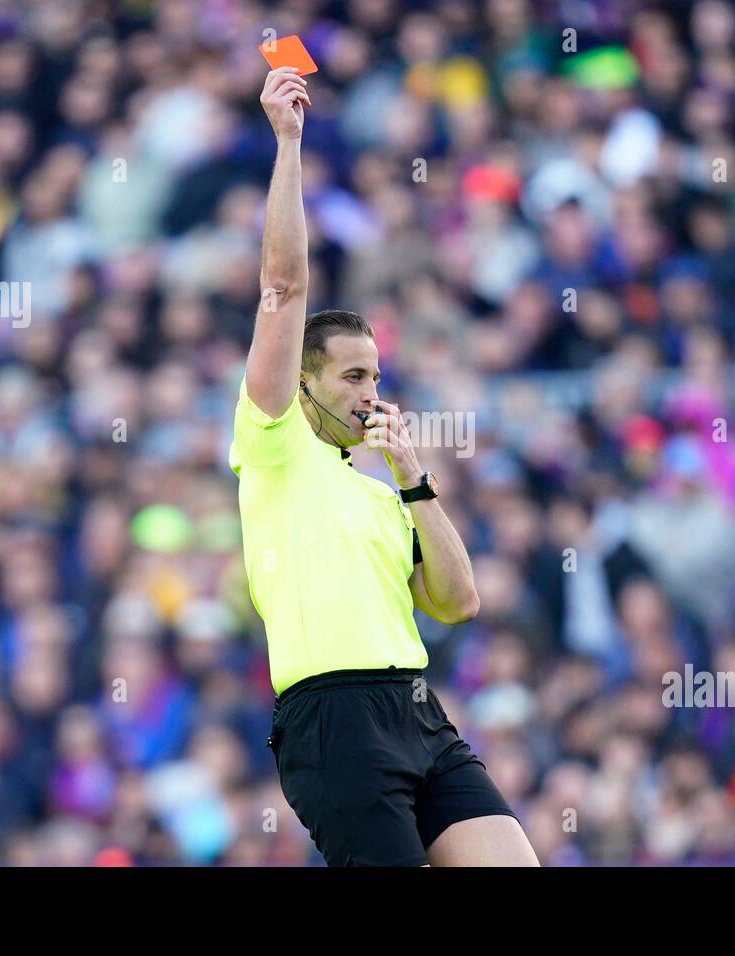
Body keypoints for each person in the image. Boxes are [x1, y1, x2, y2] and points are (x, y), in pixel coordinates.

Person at [227, 67, 538, 866]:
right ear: (304, 382)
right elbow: (282, 288)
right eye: (353, 376)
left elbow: (459, 601)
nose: (371, 392)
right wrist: (289, 143)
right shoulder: (275, 443)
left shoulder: (378, 490)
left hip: (416, 709)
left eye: (377, 376)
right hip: (332, 718)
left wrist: (415, 482)